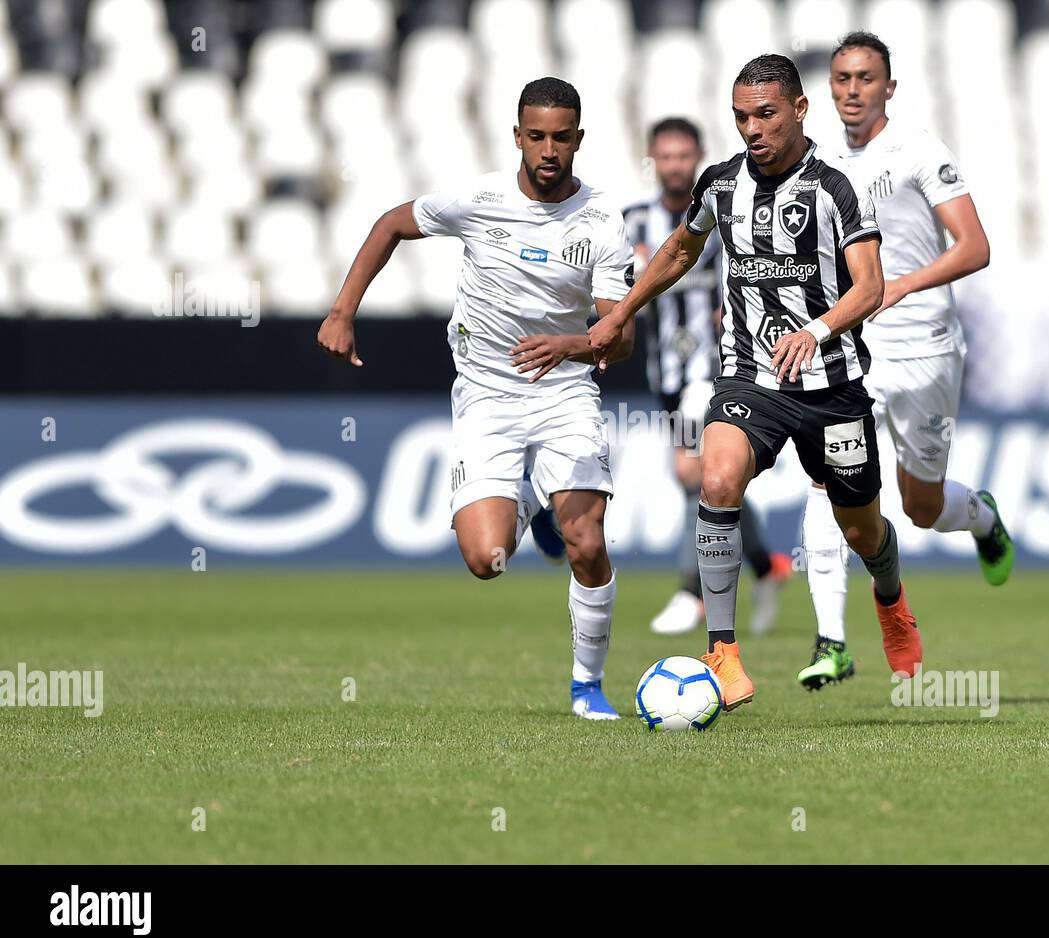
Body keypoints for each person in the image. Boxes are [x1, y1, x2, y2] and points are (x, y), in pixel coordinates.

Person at [588, 54, 923, 711]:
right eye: (741, 116)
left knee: (862, 530)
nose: (752, 128)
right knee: (714, 480)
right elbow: (682, 249)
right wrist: (625, 310)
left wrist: (818, 330)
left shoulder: (837, 187)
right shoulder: (719, 185)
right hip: (750, 375)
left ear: (799, 110)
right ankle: (724, 653)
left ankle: (892, 603)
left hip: (832, 384)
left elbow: (871, 286)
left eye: (765, 114)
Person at [317, 78, 634, 720]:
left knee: (589, 544)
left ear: (579, 139)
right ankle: (532, 506)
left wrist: (570, 346)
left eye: (562, 137)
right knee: (486, 560)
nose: (549, 149)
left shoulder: (602, 220)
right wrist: (343, 310)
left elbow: (618, 341)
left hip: (563, 390)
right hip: (488, 395)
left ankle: (587, 686)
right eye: (536, 136)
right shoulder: (479, 199)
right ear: (518, 136)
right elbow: (391, 224)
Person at [796, 32, 1012, 692]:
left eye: (865, 78)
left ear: (889, 87)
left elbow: (974, 247)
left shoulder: (918, 149)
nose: (852, 89)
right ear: (827, 89)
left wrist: (902, 284)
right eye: (841, 79)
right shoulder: (815, 157)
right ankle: (831, 641)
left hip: (924, 347)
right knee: (828, 484)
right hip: (848, 347)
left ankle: (980, 517)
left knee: (919, 505)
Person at [622, 117, 791, 637]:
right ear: (653, 159)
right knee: (713, 478)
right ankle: (766, 564)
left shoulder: (721, 212)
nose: (674, 166)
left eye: (682, 156)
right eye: (665, 157)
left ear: (697, 158)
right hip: (667, 373)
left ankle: (690, 593)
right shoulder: (634, 222)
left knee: (689, 474)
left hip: (718, 369)